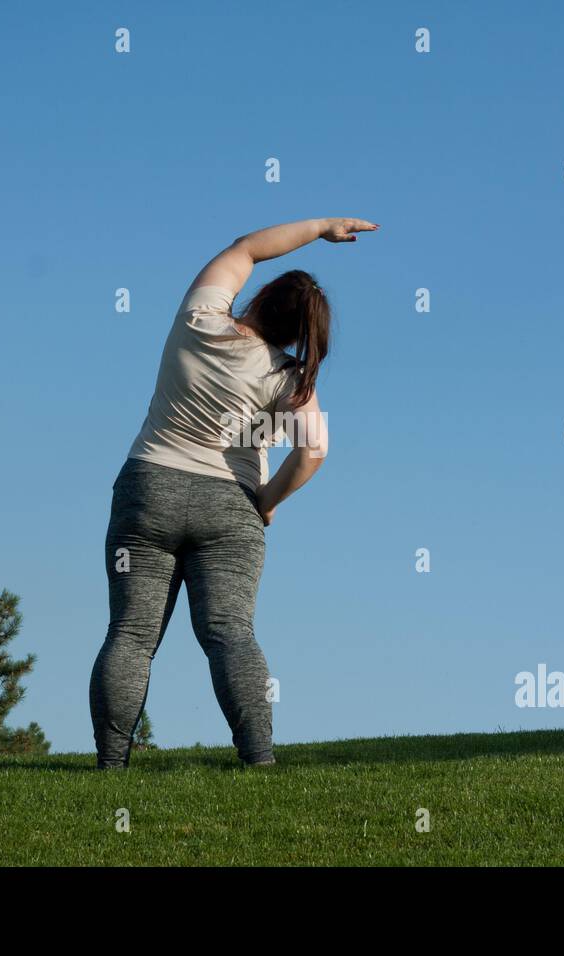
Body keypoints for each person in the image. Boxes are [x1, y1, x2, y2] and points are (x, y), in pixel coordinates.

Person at [88, 217, 379, 768]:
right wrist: (265, 502)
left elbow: (245, 248)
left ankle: (111, 766)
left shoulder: (199, 320)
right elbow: (313, 452)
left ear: (262, 295)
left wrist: (321, 227)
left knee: (131, 632)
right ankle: (258, 760)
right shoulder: (289, 378)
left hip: (148, 488)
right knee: (230, 635)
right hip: (231, 509)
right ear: (299, 335)